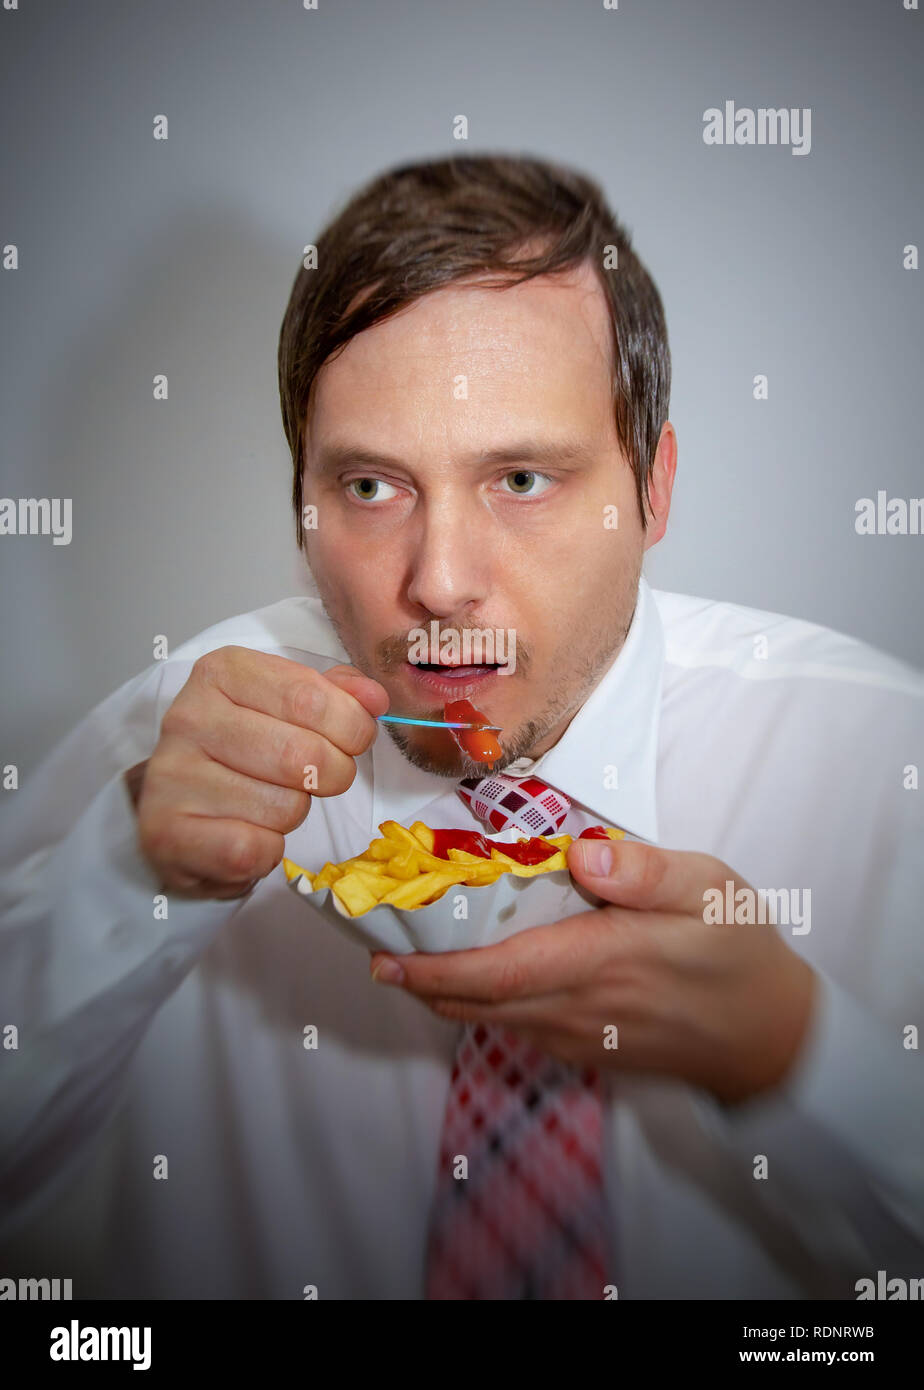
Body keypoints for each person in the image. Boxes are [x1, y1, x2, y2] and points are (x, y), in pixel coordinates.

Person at [1, 154, 921, 1300]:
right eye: (373, 488)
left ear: (654, 489)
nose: (439, 581)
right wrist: (127, 867)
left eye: (522, 478)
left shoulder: (881, 768)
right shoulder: (183, 730)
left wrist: (799, 1058)